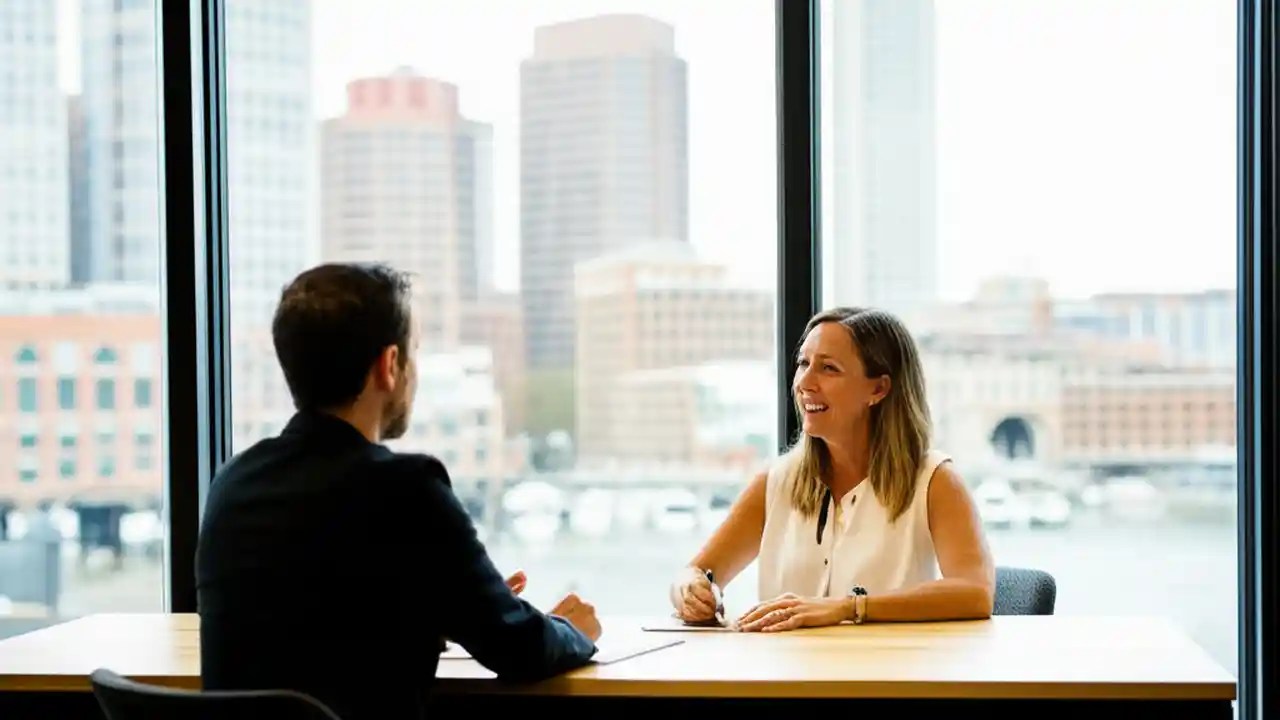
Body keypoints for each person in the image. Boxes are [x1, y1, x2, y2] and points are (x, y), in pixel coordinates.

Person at [196, 263, 600, 720]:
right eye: (415, 354)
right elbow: (519, 649)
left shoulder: (231, 485)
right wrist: (570, 629)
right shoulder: (408, 489)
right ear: (390, 366)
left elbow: (312, 624)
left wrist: (440, 605)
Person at [669, 307, 994, 632]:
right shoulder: (776, 483)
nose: (805, 383)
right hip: (784, 678)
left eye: (828, 368)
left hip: (886, 676)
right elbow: (698, 572)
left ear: (878, 389)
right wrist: (692, 590)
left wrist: (848, 607)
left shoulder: (934, 481)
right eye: (803, 364)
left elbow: (975, 593)